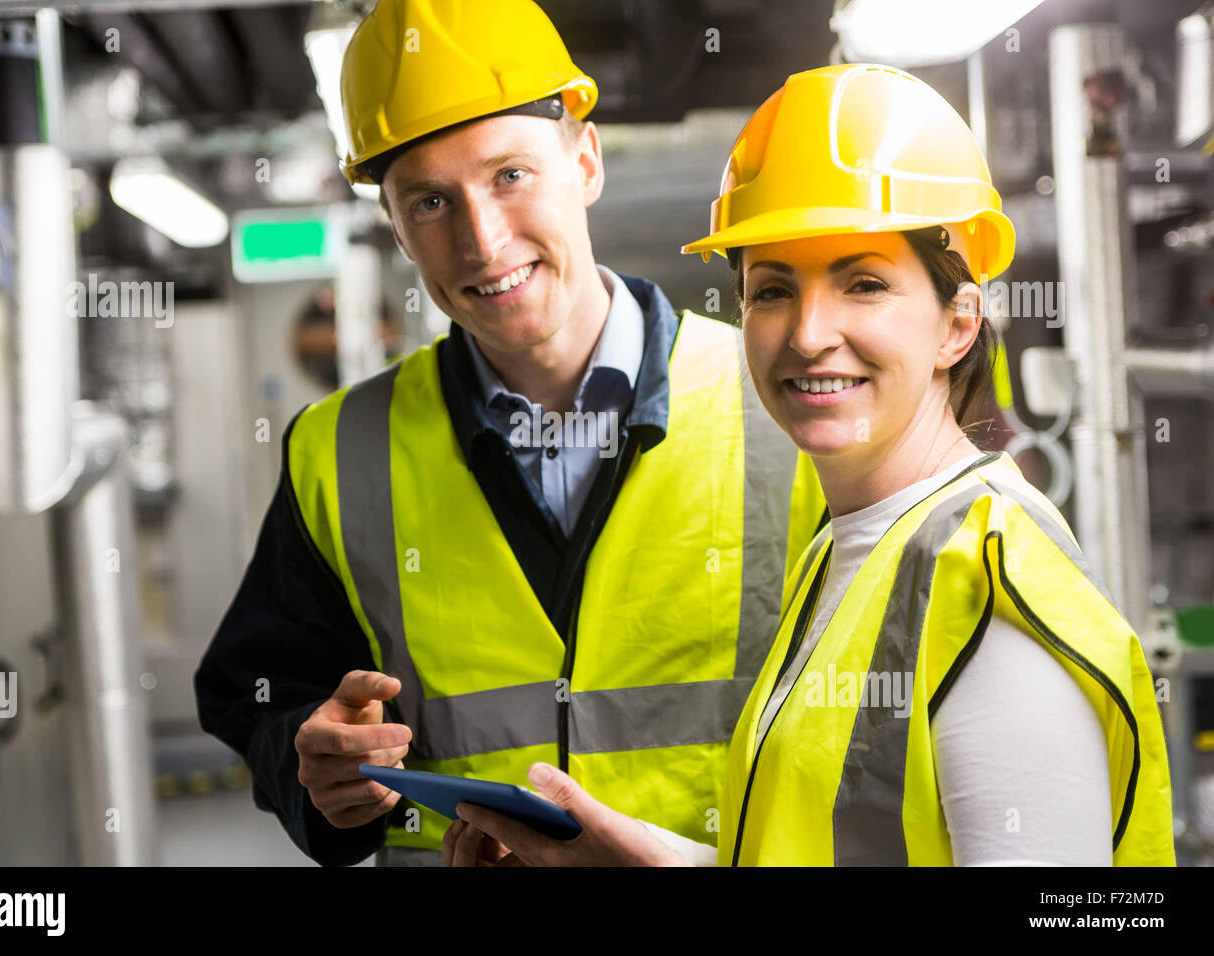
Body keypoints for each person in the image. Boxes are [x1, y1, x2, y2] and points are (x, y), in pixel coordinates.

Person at [445, 63, 1176, 867]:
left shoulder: (986, 584)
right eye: (772, 291)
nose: (808, 334)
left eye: (863, 284)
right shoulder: (849, 553)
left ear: (957, 324)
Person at [193, 0, 825, 867]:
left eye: (510, 176)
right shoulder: (338, 450)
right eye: (429, 201)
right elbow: (253, 694)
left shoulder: (784, 403)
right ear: (397, 228)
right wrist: (313, 762)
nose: (483, 242)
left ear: (586, 159)